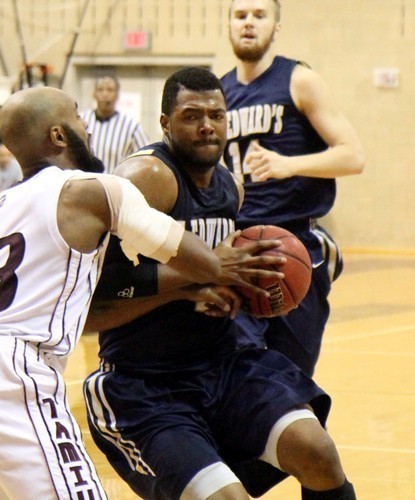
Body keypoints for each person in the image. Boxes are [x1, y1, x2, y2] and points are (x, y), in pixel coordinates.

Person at [0, 85, 261, 499]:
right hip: (7, 370)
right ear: (59, 135)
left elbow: (89, 311)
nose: (88, 128)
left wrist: (176, 292)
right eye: (79, 117)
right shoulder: (95, 190)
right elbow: (203, 263)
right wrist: (219, 260)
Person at [84, 67, 357, 500]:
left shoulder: (230, 187)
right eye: (192, 115)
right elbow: (90, 305)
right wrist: (196, 281)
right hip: (147, 384)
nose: (207, 126)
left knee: (317, 452)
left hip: (223, 366)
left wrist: (245, 290)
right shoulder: (147, 179)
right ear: (165, 123)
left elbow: (218, 273)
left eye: (216, 115)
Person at [221, 0, 366, 376]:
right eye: (240, 15)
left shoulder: (299, 80)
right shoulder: (219, 93)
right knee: (238, 371)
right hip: (240, 248)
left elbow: (353, 156)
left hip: (294, 243)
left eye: (259, 16)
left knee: (292, 377)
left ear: (276, 28)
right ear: (229, 25)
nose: (249, 23)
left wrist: (290, 164)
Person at [81, 75, 150, 173]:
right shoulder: (82, 120)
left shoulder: (131, 126)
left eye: (110, 90)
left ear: (117, 95)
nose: (105, 94)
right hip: (85, 180)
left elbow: (146, 159)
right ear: (94, 94)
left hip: (116, 181)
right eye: (100, 90)